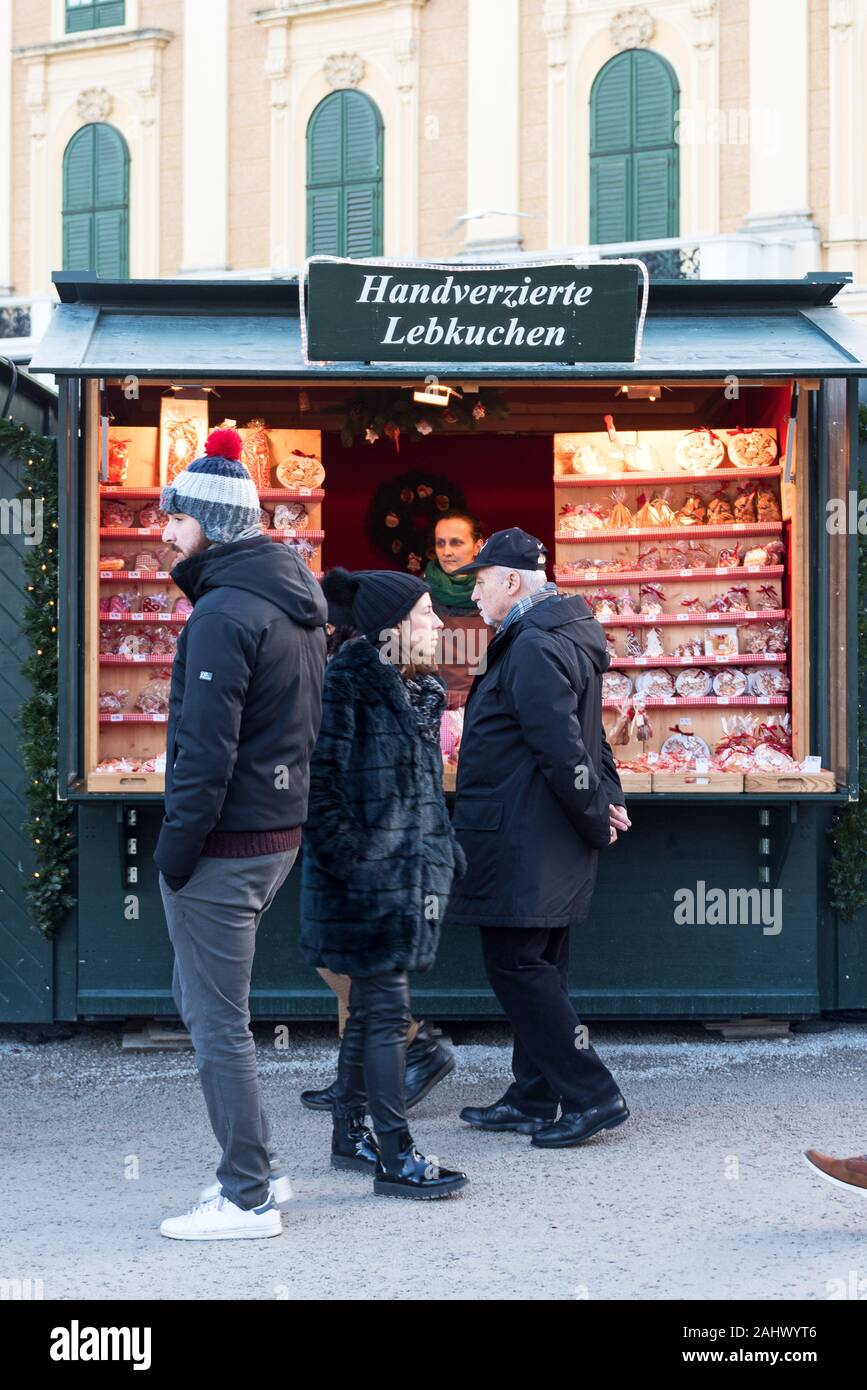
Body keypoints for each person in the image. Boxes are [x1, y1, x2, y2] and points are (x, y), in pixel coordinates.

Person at [154, 426, 327, 1240]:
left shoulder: (223, 612)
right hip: (273, 833)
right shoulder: (287, 598)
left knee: (218, 1021)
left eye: (176, 519)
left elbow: (205, 751)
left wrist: (175, 851)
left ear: (212, 524)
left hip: (224, 844)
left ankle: (247, 1195)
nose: (164, 533)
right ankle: (255, 1166)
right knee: (211, 1006)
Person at [444, 527, 633, 1148]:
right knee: (540, 966)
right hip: (542, 834)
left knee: (516, 966)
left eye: (479, 580)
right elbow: (590, 738)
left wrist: (596, 812)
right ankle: (532, 1095)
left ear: (512, 581)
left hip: (525, 836)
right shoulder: (556, 637)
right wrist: (606, 802)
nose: (472, 592)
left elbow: (562, 748)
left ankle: (592, 1094)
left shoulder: (530, 647)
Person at [299, 567, 469, 1199]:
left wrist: (442, 850)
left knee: (372, 1009)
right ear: (394, 626)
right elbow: (316, 788)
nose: (438, 625)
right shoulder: (349, 677)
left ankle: (349, 1133)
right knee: (387, 1014)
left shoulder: (410, 685)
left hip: (399, 879)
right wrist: (362, 867)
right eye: (426, 613)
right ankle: (396, 1156)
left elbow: (418, 789)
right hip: (366, 888)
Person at [424, 509, 488, 708]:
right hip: (433, 706)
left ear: (478, 546)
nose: (446, 552)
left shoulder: (495, 592)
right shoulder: (419, 594)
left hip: (484, 706)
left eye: (456, 542)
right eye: (440, 543)